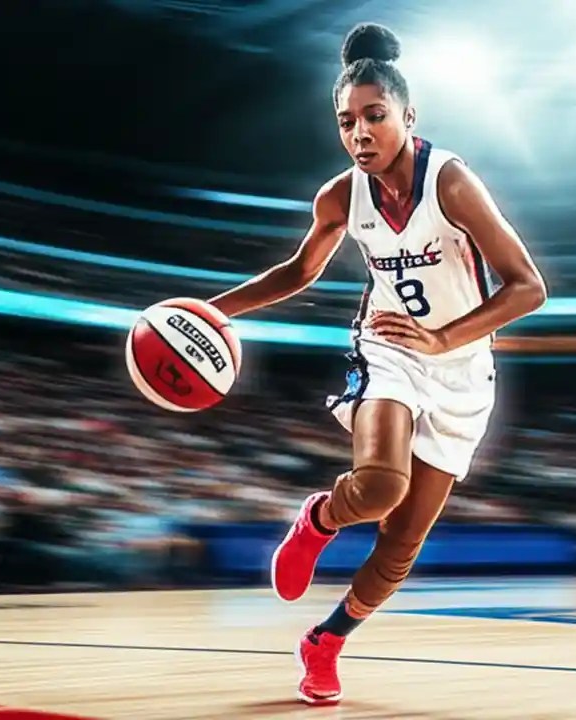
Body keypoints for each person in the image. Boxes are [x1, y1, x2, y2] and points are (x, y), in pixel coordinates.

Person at [207, 23, 548, 705]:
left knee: (400, 544)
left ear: (407, 116)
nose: (359, 133)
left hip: (461, 366)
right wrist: (213, 311)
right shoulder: (339, 197)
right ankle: (319, 521)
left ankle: (325, 641)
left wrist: (444, 338)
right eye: (346, 122)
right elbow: (298, 272)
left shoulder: (450, 183)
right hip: (389, 348)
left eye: (374, 116)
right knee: (381, 486)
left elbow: (527, 286)